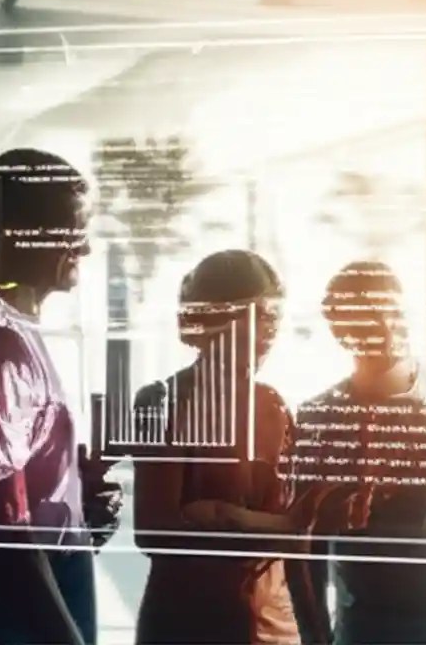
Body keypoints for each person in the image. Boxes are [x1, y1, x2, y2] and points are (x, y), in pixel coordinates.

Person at [293, 261, 426, 645]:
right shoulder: (320, 415)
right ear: (342, 333)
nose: (387, 329)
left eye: (392, 313)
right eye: (369, 320)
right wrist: (315, 635)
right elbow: (306, 542)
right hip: (364, 628)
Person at [0, 148, 110, 644]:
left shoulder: (10, 328)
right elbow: (1, 523)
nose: (85, 248)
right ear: (20, 233)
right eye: (74, 229)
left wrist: (72, 504)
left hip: (39, 585)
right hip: (14, 609)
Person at [131, 250, 307, 644]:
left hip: (271, 627)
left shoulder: (273, 405)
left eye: (273, 321)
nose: (269, 335)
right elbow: (154, 531)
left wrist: (226, 515)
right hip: (186, 625)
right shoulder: (160, 401)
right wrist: (270, 526)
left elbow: (299, 532)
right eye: (259, 319)